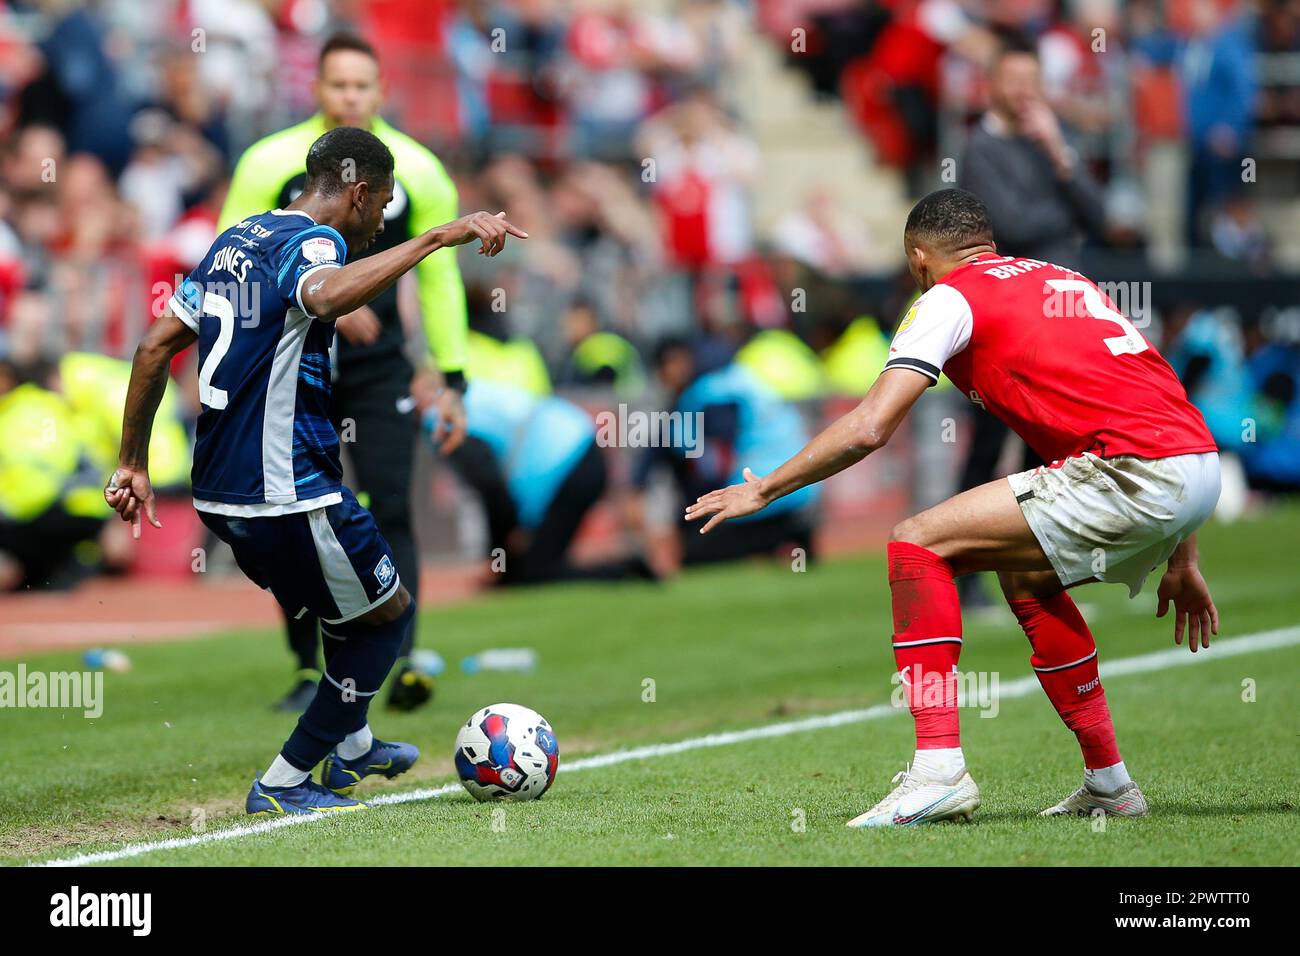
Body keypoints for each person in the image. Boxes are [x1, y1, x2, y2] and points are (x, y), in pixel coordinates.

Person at [686, 189, 1220, 827]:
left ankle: (938, 771)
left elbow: (869, 426)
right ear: (986, 241)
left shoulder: (947, 297)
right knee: (1026, 571)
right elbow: (1153, 392)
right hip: (1194, 460)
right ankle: (1110, 784)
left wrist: (764, 488)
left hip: (1132, 467)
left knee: (917, 543)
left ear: (918, 257)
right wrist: (1183, 548)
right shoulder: (1061, 279)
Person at [105, 126, 525, 815]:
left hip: (220, 489)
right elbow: (327, 296)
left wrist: (134, 461)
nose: (378, 228)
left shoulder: (238, 236)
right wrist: (429, 240)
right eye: (382, 210)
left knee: (342, 609)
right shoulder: (316, 243)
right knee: (388, 619)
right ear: (358, 194)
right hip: (284, 487)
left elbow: (155, 346)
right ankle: (285, 778)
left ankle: (353, 744)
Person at [218, 33, 468, 712]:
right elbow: (232, 259)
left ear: (381, 91)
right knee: (290, 520)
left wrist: (448, 373)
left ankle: (405, 657)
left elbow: (440, 277)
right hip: (290, 367)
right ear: (318, 89)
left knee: (391, 504)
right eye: (338, 85)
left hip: (380, 368)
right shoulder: (268, 162)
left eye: (362, 85)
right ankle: (307, 670)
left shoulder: (416, 169)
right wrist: (324, 295)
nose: (350, 96)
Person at [954, 33, 1107, 609]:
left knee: (1052, 447)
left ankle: (1041, 576)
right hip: (1008, 319)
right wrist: (1061, 216)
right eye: (1012, 81)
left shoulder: (1050, 140)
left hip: (1061, 316)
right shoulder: (980, 149)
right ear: (991, 84)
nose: (1023, 94)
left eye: (1031, 82)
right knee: (988, 444)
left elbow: (1100, 214)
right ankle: (964, 572)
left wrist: (1061, 157)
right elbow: (1009, 225)